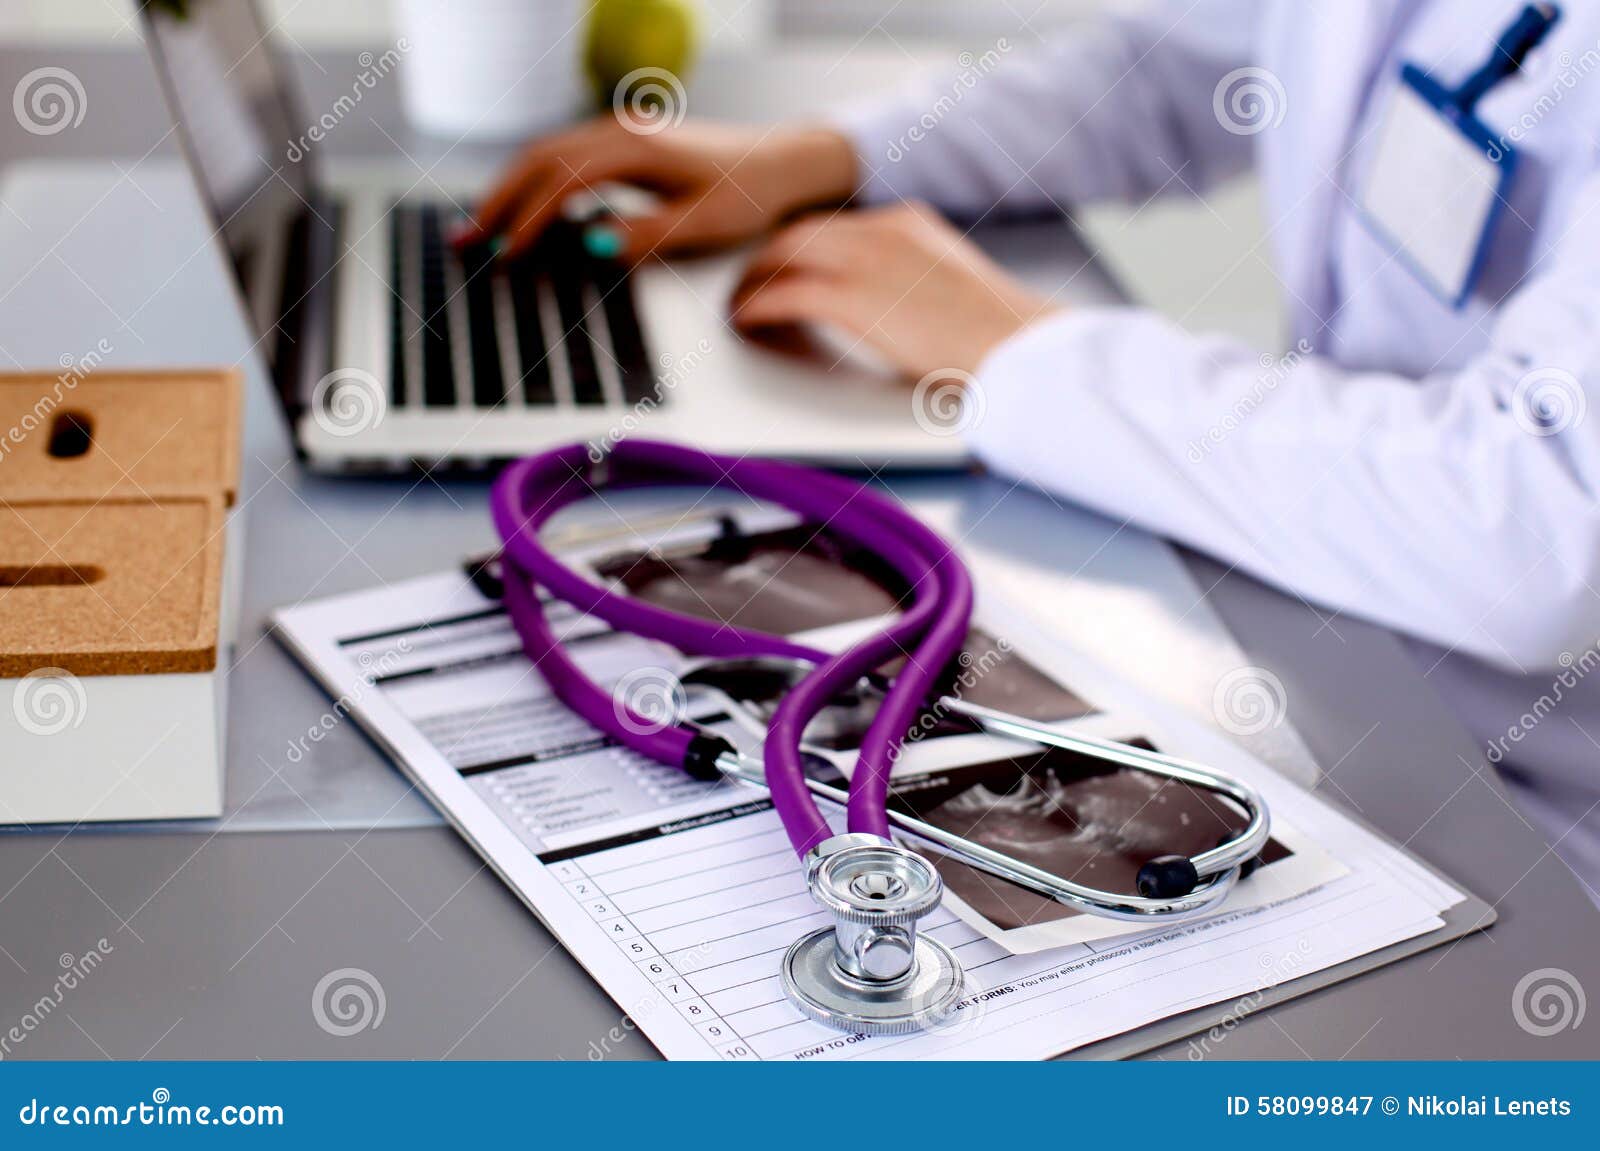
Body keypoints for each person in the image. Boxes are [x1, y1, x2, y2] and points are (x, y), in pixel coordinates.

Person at [461, 0, 1600, 898]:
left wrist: (1017, 346)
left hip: (1534, 791)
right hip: (1337, 633)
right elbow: (1184, 69)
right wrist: (831, 154)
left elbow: (1536, 529)